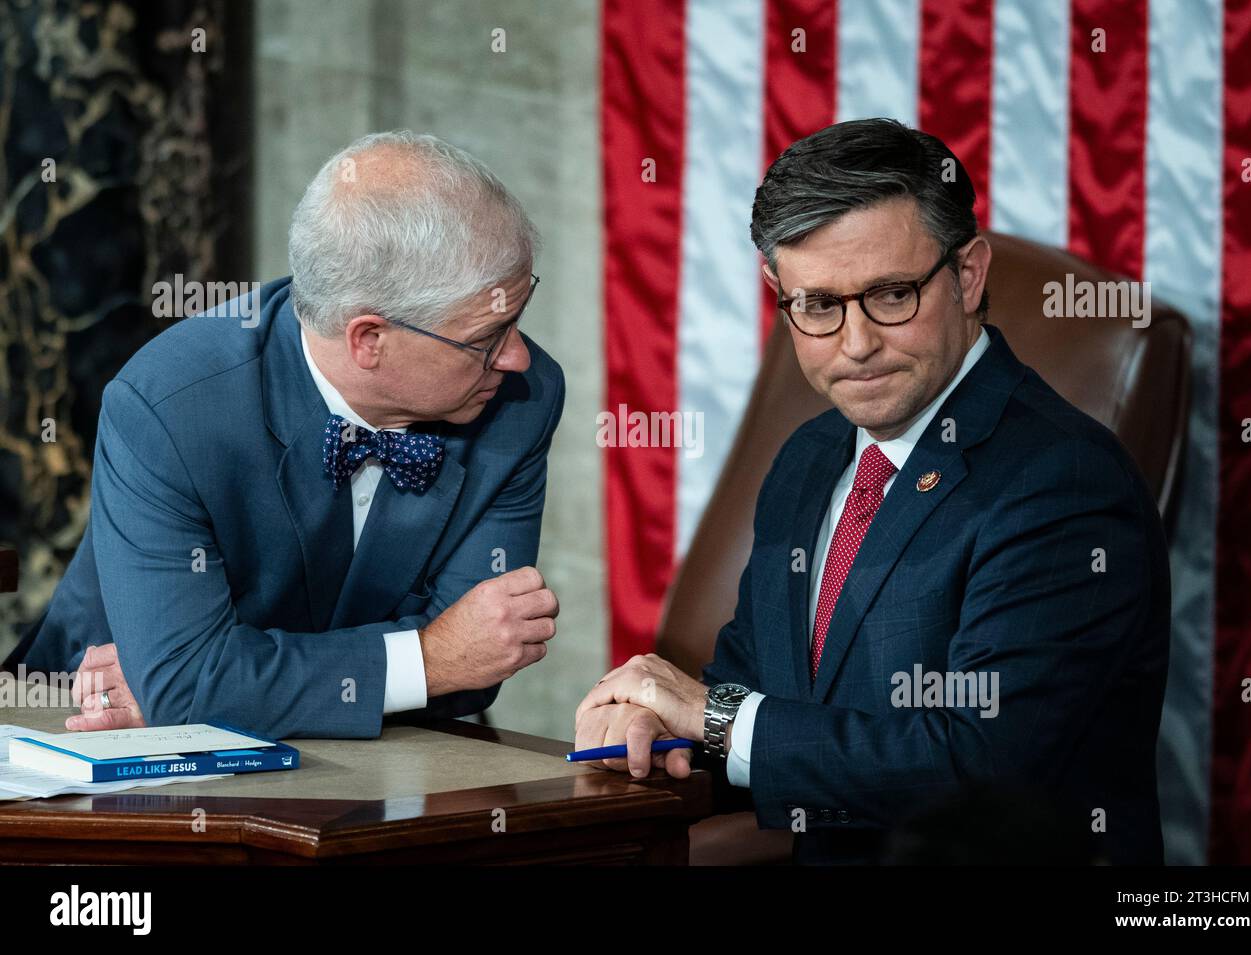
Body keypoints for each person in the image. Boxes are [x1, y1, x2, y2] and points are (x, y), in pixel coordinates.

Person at [575, 118, 1169, 865]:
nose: (856, 344)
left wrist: (714, 719)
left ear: (969, 274)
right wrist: (656, 734)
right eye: (818, 305)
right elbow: (754, 692)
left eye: (891, 294)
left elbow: (978, 763)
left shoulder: (1065, 481)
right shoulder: (810, 458)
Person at [7, 131, 564, 740]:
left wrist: (223, 687)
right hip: (88, 737)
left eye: (518, 318)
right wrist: (427, 657)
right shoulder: (168, 407)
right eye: (486, 339)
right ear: (368, 340)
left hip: (377, 757)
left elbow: (481, 664)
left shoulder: (519, 402)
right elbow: (187, 685)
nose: (517, 359)